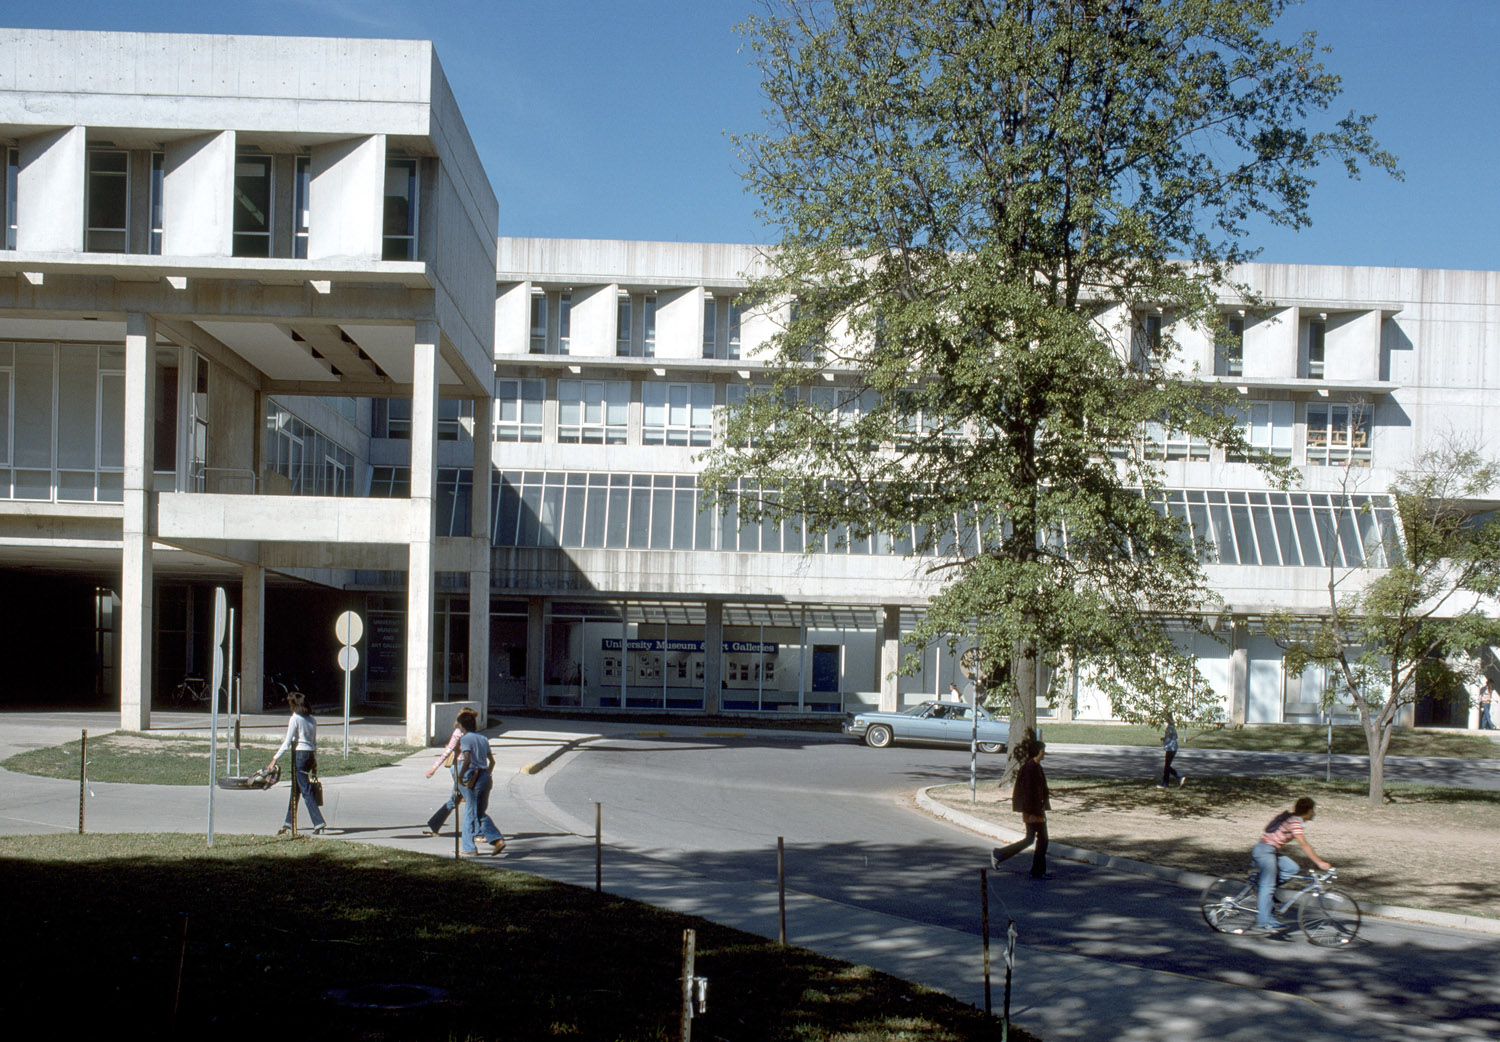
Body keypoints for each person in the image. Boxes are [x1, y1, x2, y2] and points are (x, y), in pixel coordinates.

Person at [1250, 796, 1331, 932]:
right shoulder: (1295, 822)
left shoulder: (1294, 819)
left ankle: (1262, 886)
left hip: (1269, 850)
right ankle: (1265, 922)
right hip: (1265, 851)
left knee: (1292, 868)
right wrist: (1320, 862)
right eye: (1313, 810)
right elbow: (1304, 845)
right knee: (1268, 887)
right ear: (1310, 810)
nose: (1314, 813)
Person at [267, 690, 326, 835]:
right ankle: (288, 821)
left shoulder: (295, 719)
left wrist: (275, 758)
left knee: (305, 790)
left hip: (300, 755)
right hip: (310, 755)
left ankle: (318, 822)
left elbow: (287, 742)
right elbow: (314, 742)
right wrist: (315, 761)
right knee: (296, 789)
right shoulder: (312, 719)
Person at [991, 739, 1051, 879]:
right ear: (1037, 752)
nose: (1044, 754)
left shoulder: (1035, 766)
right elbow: (1028, 792)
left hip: (1036, 809)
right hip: (1032, 810)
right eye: (1042, 751)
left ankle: (1000, 855)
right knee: (1040, 839)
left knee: (1033, 839)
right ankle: (1037, 871)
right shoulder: (1030, 768)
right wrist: (1031, 812)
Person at [455, 710, 505, 856]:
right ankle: (497, 840)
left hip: (473, 776)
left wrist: (460, 776)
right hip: (485, 776)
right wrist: (487, 773)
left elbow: (467, 760)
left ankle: (468, 847)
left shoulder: (465, 739)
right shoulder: (483, 738)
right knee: (479, 812)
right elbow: (492, 761)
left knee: (470, 812)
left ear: (462, 726)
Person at [422, 708, 475, 836]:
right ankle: (478, 833)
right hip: (461, 768)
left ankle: (434, 825)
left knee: (455, 800)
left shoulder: (469, 732)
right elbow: (448, 751)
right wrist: (433, 768)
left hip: (467, 768)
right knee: (473, 802)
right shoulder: (458, 732)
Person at [1160, 712, 1184, 788]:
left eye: (1166, 717)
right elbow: (1174, 736)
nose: (1165, 719)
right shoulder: (1172, 727)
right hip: (1173, 748)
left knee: (1167, 766)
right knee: (1167, 766)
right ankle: (1165, 783)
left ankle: (1178, 776)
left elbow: (1170, 738)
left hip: (1171, 748)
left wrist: (1164, 740)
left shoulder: (1170, 727)